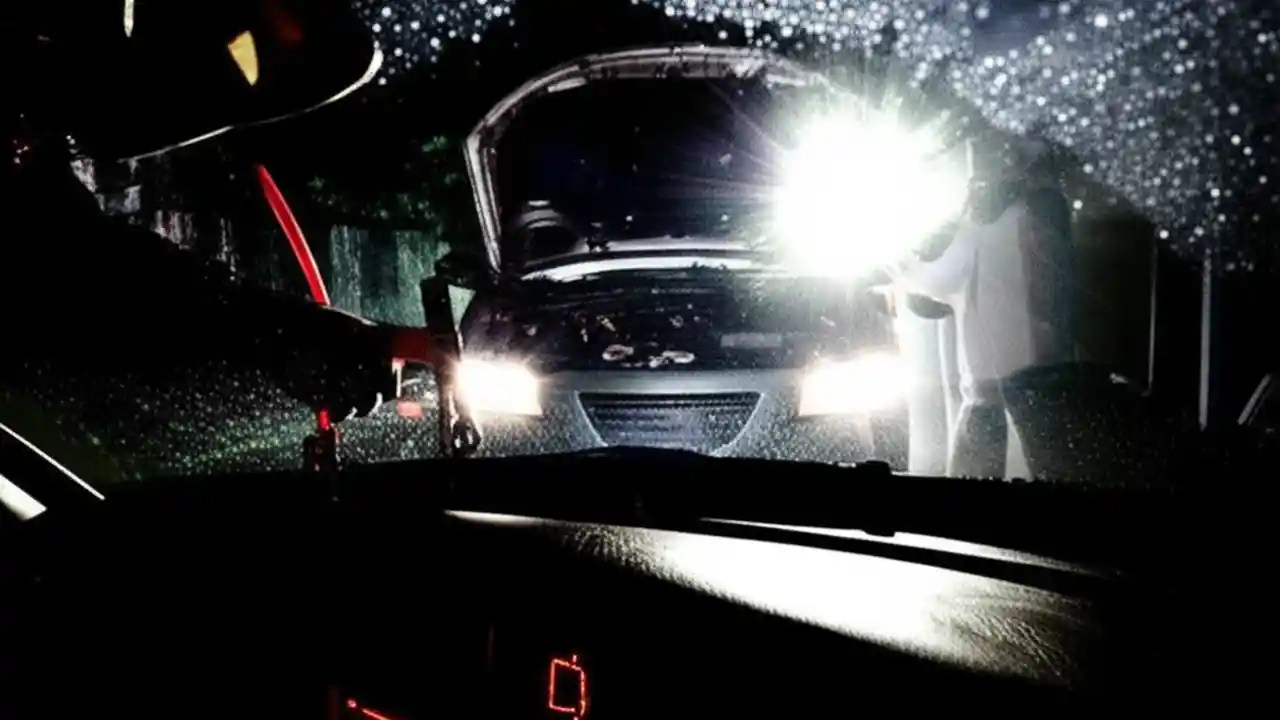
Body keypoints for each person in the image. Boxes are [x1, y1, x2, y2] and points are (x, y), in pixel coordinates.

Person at [0, 1, 434, 480]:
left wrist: (295, 335)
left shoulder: (40, 136)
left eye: (244, 58)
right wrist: (285, 334)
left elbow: (88, 263)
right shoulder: (46, 124)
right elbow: (86, 267)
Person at [889, 140, 1079, 479]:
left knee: (972, 471)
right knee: (1049, 467)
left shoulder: (982, 229)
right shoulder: (1041, 215)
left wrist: (899, 263)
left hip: (991, 383)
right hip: (1049, 369)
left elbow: (939, 279)